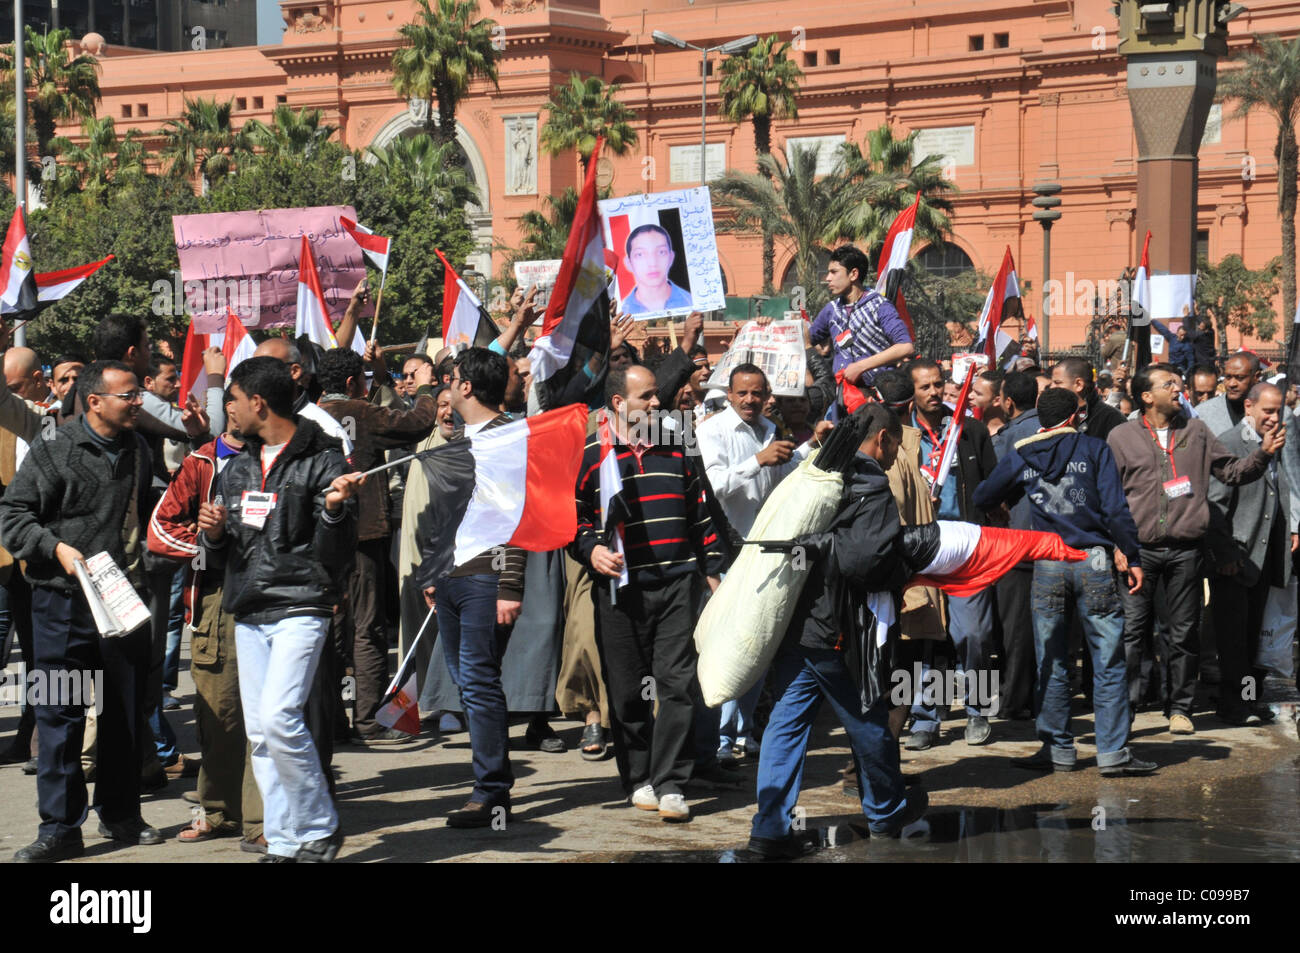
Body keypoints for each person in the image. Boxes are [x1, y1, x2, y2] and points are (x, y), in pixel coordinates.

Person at [198, 357, 362, 862]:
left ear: (258, 403)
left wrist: (333, 511)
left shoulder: (325, 460)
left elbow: (338, 553)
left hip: (301, 606)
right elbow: (228, 552)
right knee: (260, 735)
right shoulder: (239, 465)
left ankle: (318, 827)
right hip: (248, 608)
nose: (227, 408)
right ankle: (286, 840)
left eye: (233, 398)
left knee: (279, 717)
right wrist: (216, 532)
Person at [748, 404, 928, 859]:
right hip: (841, 629)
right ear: (883, 438)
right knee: (868, 724)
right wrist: (903, 562)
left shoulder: (814, 473)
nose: (895, 457)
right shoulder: (869, 484)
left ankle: (769, 829)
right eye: (896, 447)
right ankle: (886, 812)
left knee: (785, 728)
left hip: (800, 623)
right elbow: (861, 562)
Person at [1, 360, 161, 862]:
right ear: (94, 401)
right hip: (60, 605)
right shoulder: (55, 450)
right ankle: (60, 828)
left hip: (122, 602)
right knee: (59, 716)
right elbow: (13, 516)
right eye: (128, 395)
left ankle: (121, 814)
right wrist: (55, 549)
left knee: (124, 712)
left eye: (138, 394)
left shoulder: (137, 447)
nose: (138, 401)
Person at [974, 388, 1155, 776]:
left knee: (1052, 659)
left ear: (1041, 419)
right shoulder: (1095, 450)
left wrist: (1000, 507)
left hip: (1048, 561)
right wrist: (1132, 556)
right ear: (1076, 415)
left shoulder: (1024, 453)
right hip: (1093, 561)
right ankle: (1112, 754)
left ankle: (1058, 749)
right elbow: (1115, 509)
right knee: (1107, 659)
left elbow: (983, 493)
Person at [572, 364, 723, 822]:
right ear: (619, 403)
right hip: (621, 589)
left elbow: (701, 511)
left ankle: (673, 782)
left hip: (678, 581)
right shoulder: (592, 453)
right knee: (626, 691)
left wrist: (713, 572)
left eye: (657, 396)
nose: (658, 405)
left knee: (676, 683)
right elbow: (572, 518)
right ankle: (639, 776)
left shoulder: (678, 442)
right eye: (648, 398)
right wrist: (592, 550)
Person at [1107, 363, 1282, 735]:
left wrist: (1263, 454)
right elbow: (1109, 498)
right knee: (1134, 634)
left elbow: (1232, 472)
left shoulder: (1197, 431)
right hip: (1138, 553)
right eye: (1168, 384)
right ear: (1146, 396)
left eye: (1177, 382)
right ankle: (1128, 707)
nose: (1178, 388)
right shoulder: (1121, 437)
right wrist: (1117, 546)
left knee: (1183, 633)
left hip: (1187, 552)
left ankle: (1180, 708)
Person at [146, 394, 265, 851]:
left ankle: (260, 822)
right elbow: (161, 529)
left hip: (275, 599)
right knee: (219, 714)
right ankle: (217, 811)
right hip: (215, 601)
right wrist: (205, 537)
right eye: (231, 399)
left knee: (267, 715)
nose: (234, 408)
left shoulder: (283, 456)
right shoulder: (201, 463)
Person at [696, 363, 829, 762]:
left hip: (763, 547)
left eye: (757, 393)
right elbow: (714, 484)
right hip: (723, 548)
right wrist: (757, 460)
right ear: (729, 393)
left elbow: (785, 473)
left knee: (758, 641)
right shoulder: (710, 432)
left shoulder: (771, 430)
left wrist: (811, 447)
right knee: (726, 642)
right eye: (743, 393)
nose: (751, 400)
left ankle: (743, 730)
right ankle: (720, 737)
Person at [417, 348, 528, 828]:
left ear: (466, 387)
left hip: (487, 576)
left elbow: (520, 515)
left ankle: (491, 793)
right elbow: (446, 515)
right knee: (467, 682)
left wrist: (510, 583)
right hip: (450, 576)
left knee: (480, 682)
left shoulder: (507, 438)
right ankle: (492, 781)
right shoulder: (458, 439)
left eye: (452, 377)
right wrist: (430, 572)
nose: (446, 384)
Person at [317, 346, 438, 743]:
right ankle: (368, 719)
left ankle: (331, 719)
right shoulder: (362, 413)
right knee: (366, 627)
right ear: (354, 383)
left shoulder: (305, 416)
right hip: (362, 531)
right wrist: (424, 388)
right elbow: (418, 423)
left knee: (330, 625)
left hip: (318, 535)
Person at [906, 359, 1000, 749]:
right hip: (919, 548)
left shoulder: (969, 430)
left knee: (974, 634)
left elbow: (993, 487)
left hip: (965, 545)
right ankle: (924, 718)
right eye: (924, 386)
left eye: (937, 384)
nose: (932, 392)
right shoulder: (901, 434)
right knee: (923, 635)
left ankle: (978, 711)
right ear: (912, 391)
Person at [1207, 382, 1295, 726]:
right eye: (1267, 411)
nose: (1274, 418)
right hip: (1236, 559)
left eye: (1279, 411)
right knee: (1233, 642)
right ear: (1249, 408)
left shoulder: (1277, 443)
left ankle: (1248, 700)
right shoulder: (1230, 444)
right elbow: (1215, 504)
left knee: (1252, 639)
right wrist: (1226, 554)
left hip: (1263, 559)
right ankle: (1234, 704)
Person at [989, 370, 1043, 720]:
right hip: (1055, 541)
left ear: (1007, 402)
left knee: (1017, 628)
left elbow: (991, 487)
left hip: (1018, 541)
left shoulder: (1010, 438)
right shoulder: (1054, 429)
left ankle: (1014, 701)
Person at [808, 245, 915, 407]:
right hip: (842, 400)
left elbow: (905, 347)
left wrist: (861, 366)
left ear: (853, 274)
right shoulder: (831, 310)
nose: (827, 278)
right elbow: (804, 339)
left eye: (834, 272)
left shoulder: (879, 306)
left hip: (878, 399)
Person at [619, 224, 693, 315]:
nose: (652, 263)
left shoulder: (691, 301)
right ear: (629, 263)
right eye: (640, 254)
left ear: (671, 257)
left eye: (661, 252)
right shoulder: (621, 310)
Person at [1050, 357, 1125, 441]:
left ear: (1079, 384)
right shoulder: (1050, 413)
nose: (1051, 387)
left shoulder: (1110, 418)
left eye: (1057, 383)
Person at [971, 369, 1006, 436]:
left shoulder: (1008, 437)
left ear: (997, 401)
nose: (969, 396)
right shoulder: (966, 426)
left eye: (978, 393)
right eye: (972, 390)